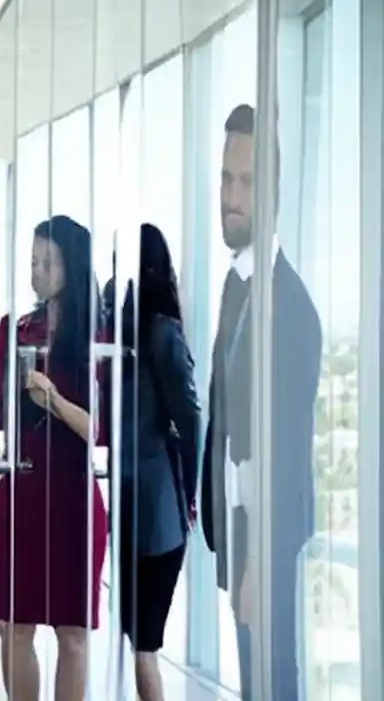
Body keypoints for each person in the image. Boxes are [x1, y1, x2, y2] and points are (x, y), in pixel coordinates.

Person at [199, 104, 321, 700]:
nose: (232, 195)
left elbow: (286, 451)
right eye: (226, 178)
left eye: (246, 182)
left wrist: (256, 561)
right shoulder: (235, 284)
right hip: (239, 523)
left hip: (267, 532)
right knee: (255, 677)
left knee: (275, 673)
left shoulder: (290, 306)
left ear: (272, 190)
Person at [0, 215, 107, 701]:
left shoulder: (99, 335)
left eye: (47, 262)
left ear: (71, 267)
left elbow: (104, 430)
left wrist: (53, 400)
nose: (35, 271)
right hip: (23, 488)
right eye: (32, 260)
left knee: (72, 634)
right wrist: (14, 389)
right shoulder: (17, 328)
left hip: (75, 494)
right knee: (12, 622)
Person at [108, 223, 201, 701]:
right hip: (158, 512)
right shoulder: (161, 333)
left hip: (127, 506)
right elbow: (191, 419)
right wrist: (193, 494)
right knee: (144, 645)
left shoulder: (114, 332)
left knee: (136, 640)